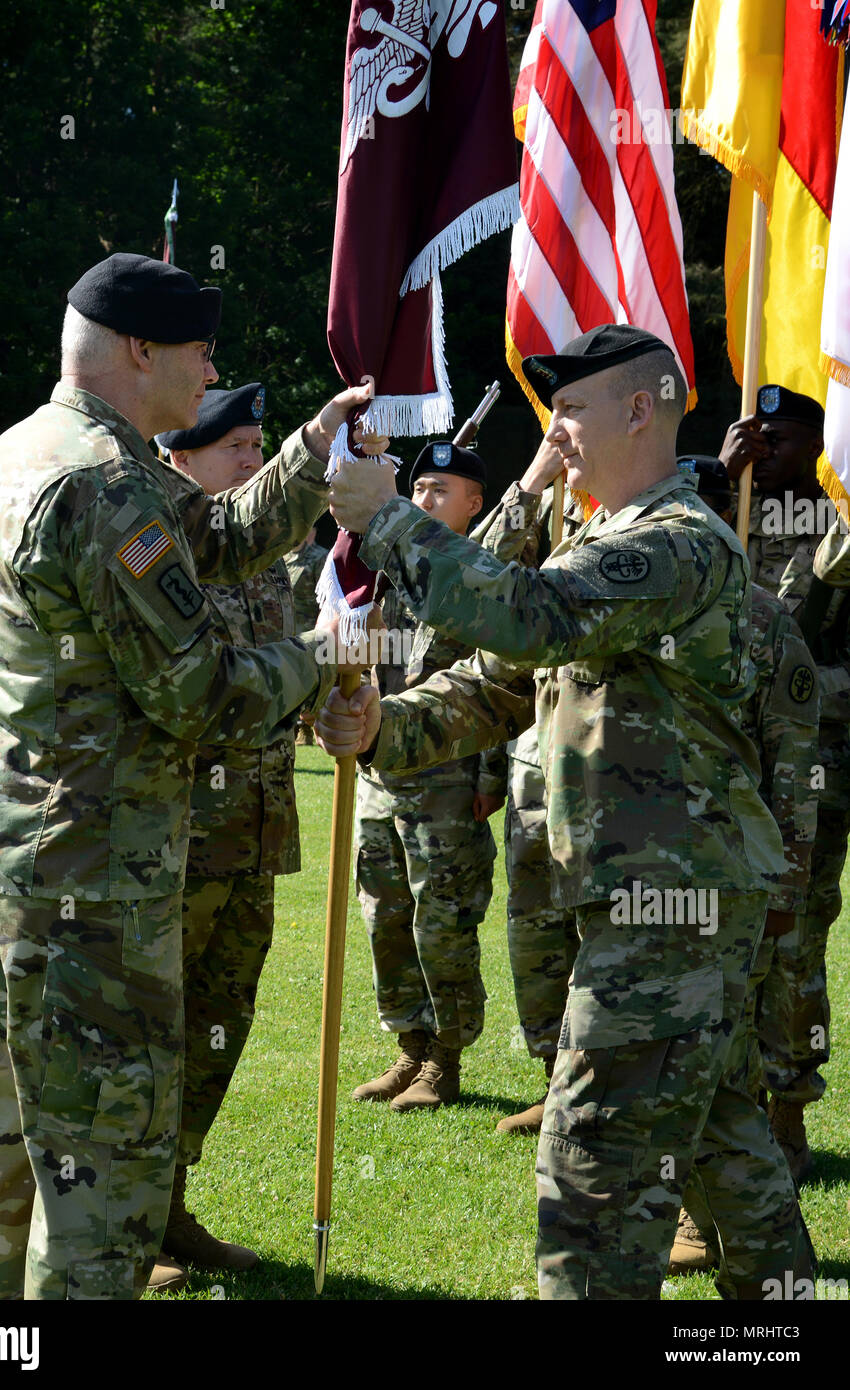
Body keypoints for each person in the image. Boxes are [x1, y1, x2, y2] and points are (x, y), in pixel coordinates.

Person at [316, 324, 815, 1300]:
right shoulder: (601, 538)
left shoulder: (675, 547)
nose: (558, 431)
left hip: (671, 903)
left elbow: (527, 616)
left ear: (639, 409)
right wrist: (383, 727)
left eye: (573, 407)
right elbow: (506, 680)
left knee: (592, 1165)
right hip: (653, 897)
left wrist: (385, 521)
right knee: (717, 1146)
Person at [0, 251, 377, 1301]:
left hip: (0, 849)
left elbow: (216, 538)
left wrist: (315, 448)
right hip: (86, 883)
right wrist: (320, 652)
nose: (210, 365)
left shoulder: (29, 449)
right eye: (199, 348)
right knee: (104, 1182)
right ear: (140, 348)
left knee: (3, 1157)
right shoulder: (100, 480)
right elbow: (203, 693)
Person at [147, 382, 303, 1289]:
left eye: (258, 444)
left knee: (219, 1022)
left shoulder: (260, 553)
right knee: (151, 1033)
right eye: (238, 447)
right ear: (182, 456)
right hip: (175, 841)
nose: (255, 461)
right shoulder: (159, 545)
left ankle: (167, 1202)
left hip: (255, 832)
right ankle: (116, 1225)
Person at [666, 456, 820, 1274]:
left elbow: (793, 771)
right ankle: (707, 1224)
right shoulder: (635, 612)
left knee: (733, 1064)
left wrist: (790, 886)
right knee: (697, 1073)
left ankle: (754, 1243)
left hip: (743, 888)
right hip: (652, 891)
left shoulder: (764, 621)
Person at [719, 387, 850, 1182]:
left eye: (782, 437)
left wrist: (791, 688)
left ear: (821, 443)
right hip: (729, 768)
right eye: (754, 436)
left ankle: (789, 1112)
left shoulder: (839, 529)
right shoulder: (722, 513)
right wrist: (718, 477)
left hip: (813, 771)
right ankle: (724, 1103)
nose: (764, 449)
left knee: (795, 939)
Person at [351, 442, 506, 1111]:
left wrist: (491, 774)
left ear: (474, 504)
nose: (425, 500)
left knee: (441, 920)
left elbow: (507, 679)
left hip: (447, 778)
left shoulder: (486, 577)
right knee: (385, 916)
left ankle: (446, 1059)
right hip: (379, 773)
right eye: (418, 489)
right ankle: (409, 1048)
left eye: (442, 489)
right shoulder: (383, 569)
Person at [466, 482, 584, 1134]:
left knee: (597, 944)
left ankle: (594, 1095)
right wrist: (490, 767)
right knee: (534, 936)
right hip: (529, 778)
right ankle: (551, 1081)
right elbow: (503, 668)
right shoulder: (540, 526)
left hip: (603, 787)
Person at [285, 528, 329, 744]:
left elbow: (327, 598)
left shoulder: (320, 557)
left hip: (310, 630)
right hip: (287, 632)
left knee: (308, 680)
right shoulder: (280, 558)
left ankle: (306, 726)